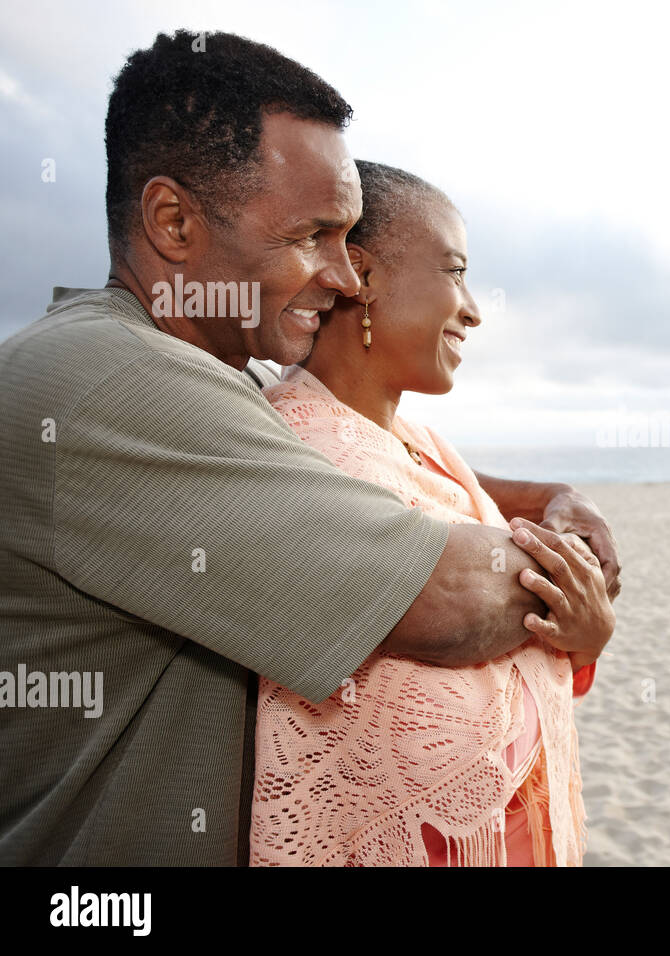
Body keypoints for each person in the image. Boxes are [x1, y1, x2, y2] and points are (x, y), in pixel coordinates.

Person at [0, 30, 619, 865]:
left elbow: (375, 454)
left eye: (350, 238)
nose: (343, 275)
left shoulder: (217, 381)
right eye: (312, 236)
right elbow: (448, 602)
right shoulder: (112, 384)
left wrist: (544, 498)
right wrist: (573, 573)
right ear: (174, 222)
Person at [252, 162, 614, 866]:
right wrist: (582, 621)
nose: (474, 309)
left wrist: (584, 631)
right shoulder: (298, 455)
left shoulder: (420, 445)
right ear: (361, 276)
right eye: (454, 272)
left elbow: (531, 642)